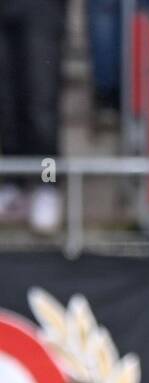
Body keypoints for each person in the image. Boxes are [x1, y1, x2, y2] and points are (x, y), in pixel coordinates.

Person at [0, 0, 69, 234]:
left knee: (41, 101)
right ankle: (13, 182)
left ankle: (47, 184)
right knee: (6, 102)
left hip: (41, 7)